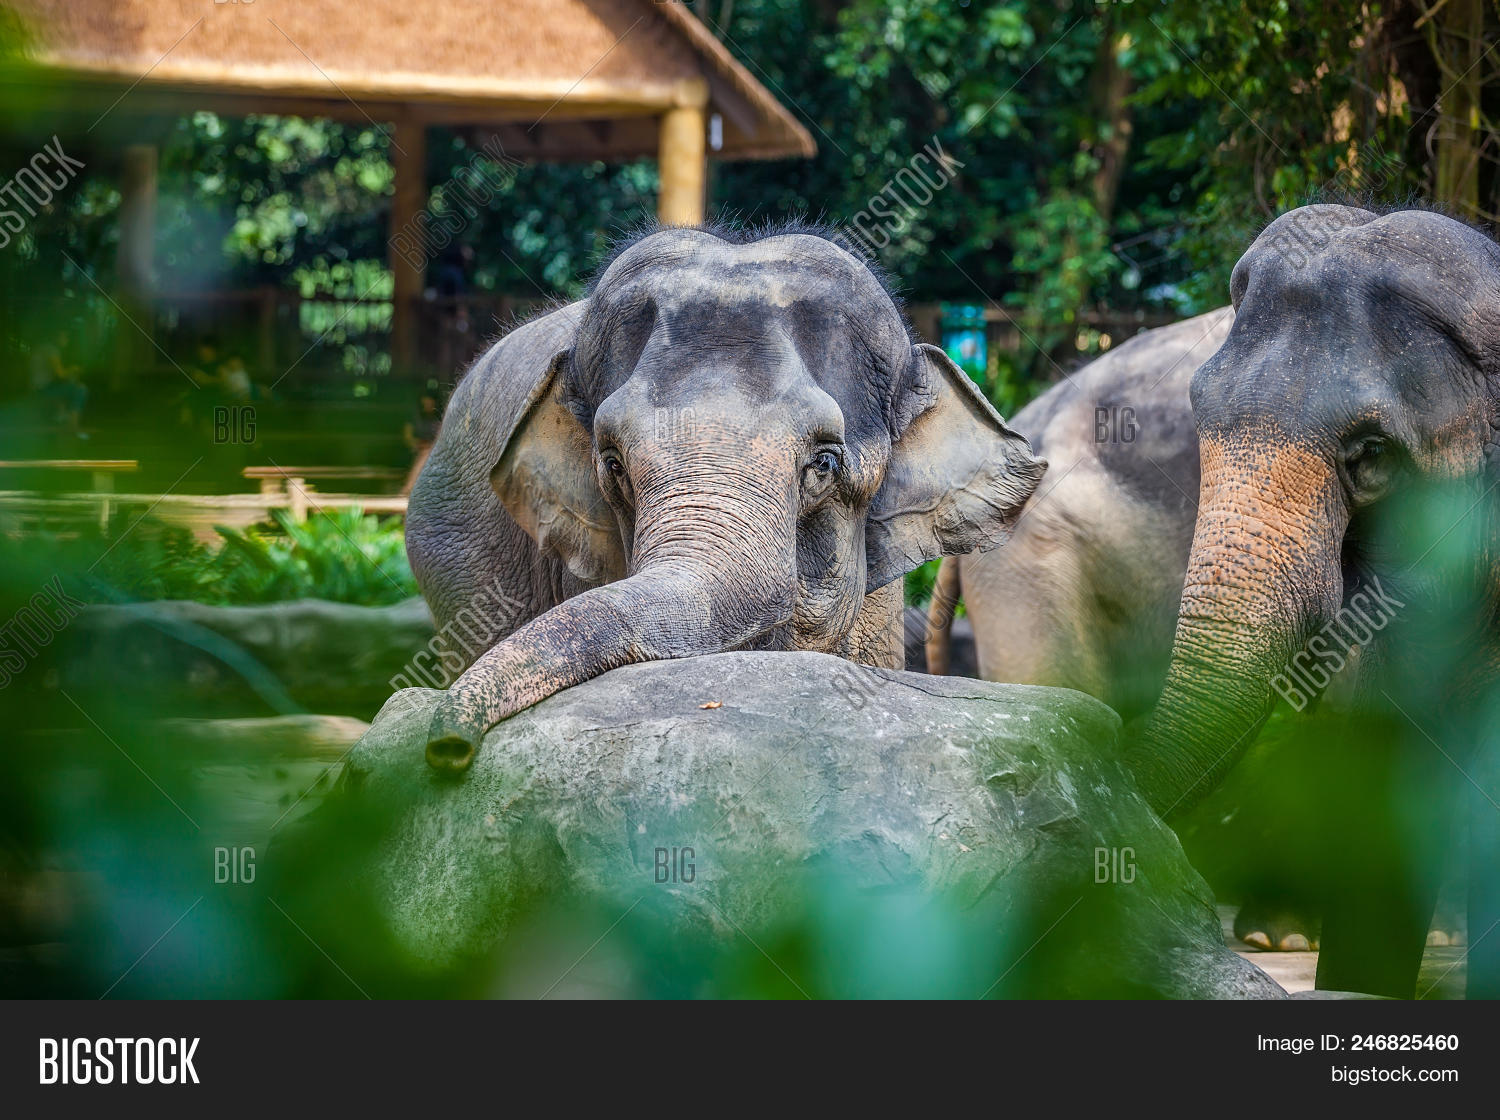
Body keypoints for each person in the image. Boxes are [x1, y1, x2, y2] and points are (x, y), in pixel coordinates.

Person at [401, 390, 442, 494]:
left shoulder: (440, 417)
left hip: (435, 449)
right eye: (425, 403)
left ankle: (408, 488)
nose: (427, 405)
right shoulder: (414, 417)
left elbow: (443, 437)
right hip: (417, 448)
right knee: (424, 454)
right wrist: (416, 444)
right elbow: (407, 436)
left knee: (426, 453)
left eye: (430, 403)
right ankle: (409, 488)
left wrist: (432, 446)